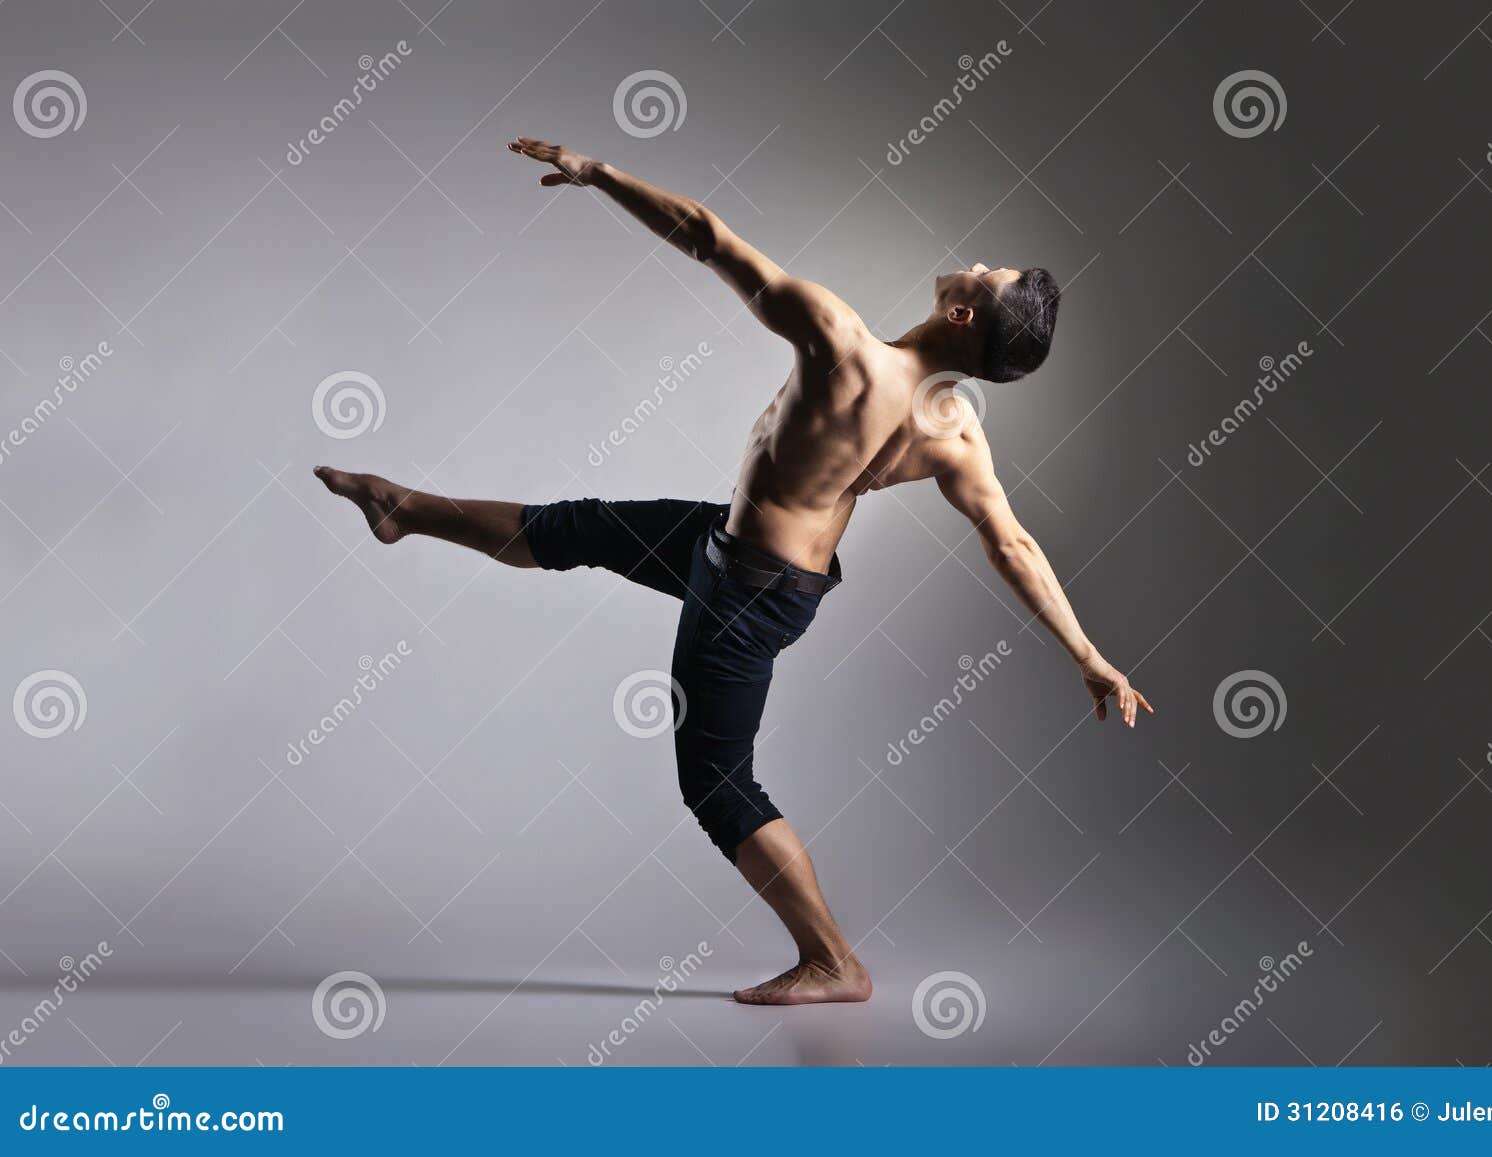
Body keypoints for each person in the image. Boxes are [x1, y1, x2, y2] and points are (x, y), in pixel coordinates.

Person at [315, 137, 1152, 1005]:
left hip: (744, 590)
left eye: (989, 275)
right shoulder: (955, 433)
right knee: (582, 530)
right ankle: (405, 510)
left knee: (715, 783)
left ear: (967, 317)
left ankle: (833, 961)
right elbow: (1011, 542)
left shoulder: (842, 344)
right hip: (762, 571)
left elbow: (708, 237)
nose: (977, 262)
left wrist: (599, 175)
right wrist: (1086, 653)